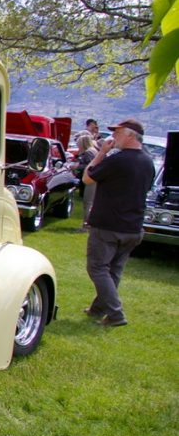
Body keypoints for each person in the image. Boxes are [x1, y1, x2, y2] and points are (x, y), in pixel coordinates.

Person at [81, 118, 156, 327]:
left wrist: (101, 153)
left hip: (108, 225)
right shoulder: (148, 162)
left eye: (117, 133)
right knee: (113, 270)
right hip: (133, 226)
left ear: (130, 135)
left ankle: (116, 314)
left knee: (97, 267)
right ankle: (99, 308)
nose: (112, 137)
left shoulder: (118, 159)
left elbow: (87, 178)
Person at [73, 132, 98, 229]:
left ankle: (86, 225)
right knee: (90, 202)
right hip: (94, 179)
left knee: (88, 202)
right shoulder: (93, 151)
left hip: (91, 180)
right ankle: (87, 224)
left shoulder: (88, 152)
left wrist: (77, 166)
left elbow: (90, 166)